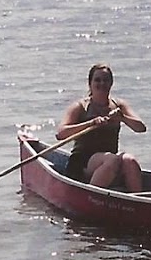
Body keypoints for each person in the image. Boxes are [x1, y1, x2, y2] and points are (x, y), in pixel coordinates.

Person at [57, 63, 146, 191]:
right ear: (90, 83)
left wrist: (122, 118)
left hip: (109, 162)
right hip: (83, 163)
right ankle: (90, 196)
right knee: (112, 160)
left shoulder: (118, 105)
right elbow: (61, 134)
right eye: (97, 80)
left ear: (111, 83)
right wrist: (90, 123)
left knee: (130, 161)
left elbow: (141, 128)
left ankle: (138, 204)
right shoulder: (80, 107)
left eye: (106, 80)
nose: (102, 84)